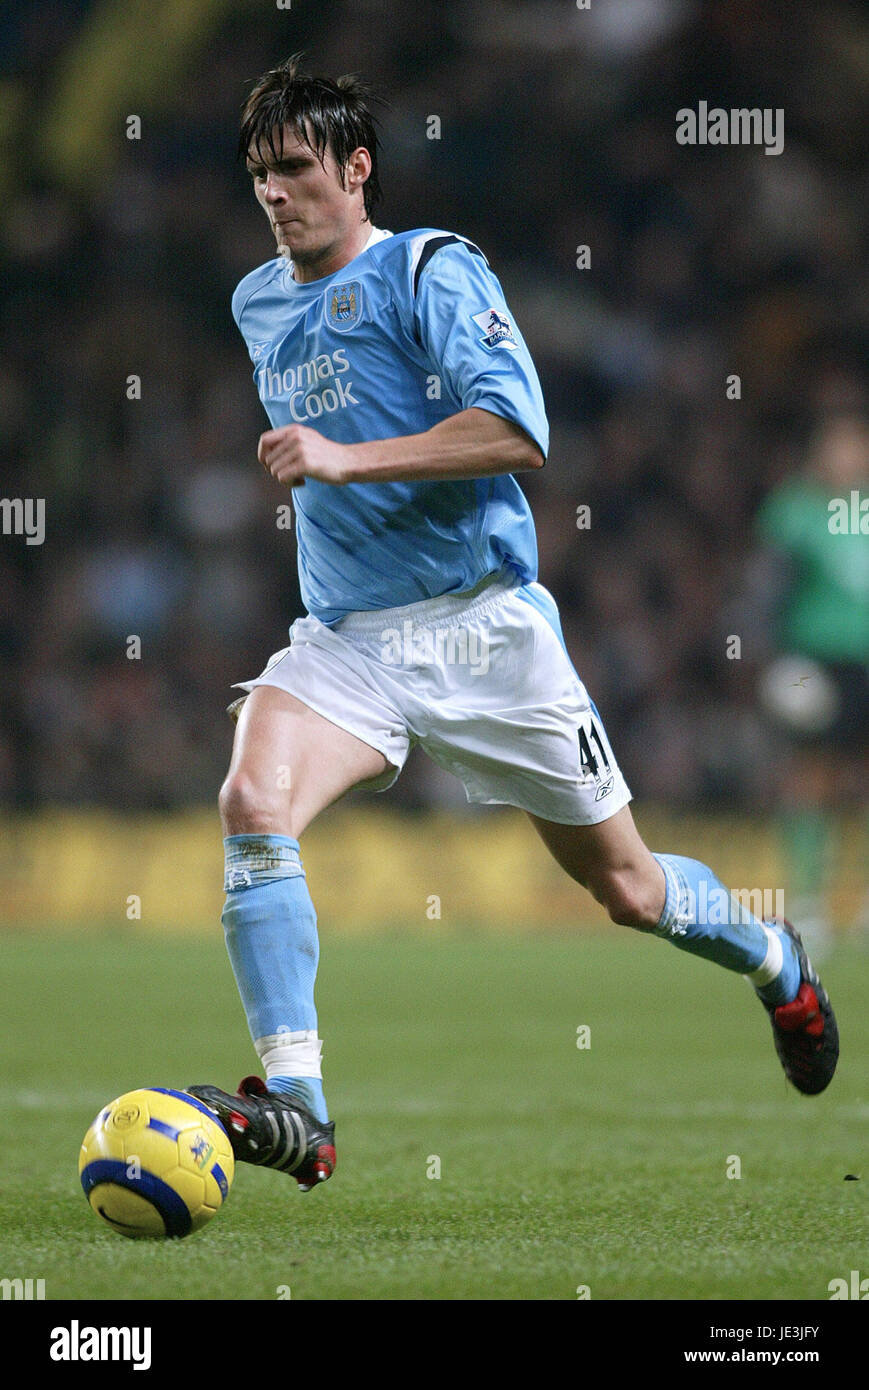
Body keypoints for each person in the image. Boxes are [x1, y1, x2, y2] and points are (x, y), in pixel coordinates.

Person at [190, 56, 838, 1190]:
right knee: (252, 797)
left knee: (627, 891)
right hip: (350, 641)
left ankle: (772, 958)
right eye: (260, 176)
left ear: (356, 168)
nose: (277, 195)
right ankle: (299, 1102)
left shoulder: (430, 268)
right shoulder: (256, 301)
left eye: (296, 169)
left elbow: (516, 428)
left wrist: (343, 457)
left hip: (486, 633)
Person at [756, 411, 869, 958]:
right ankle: (810, 902)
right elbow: (764, 586)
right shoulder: (795, 510)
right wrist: (766, 656)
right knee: (810, 780)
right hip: (815, 662)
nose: (844, 457)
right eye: (834, 445)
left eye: (853, 445)